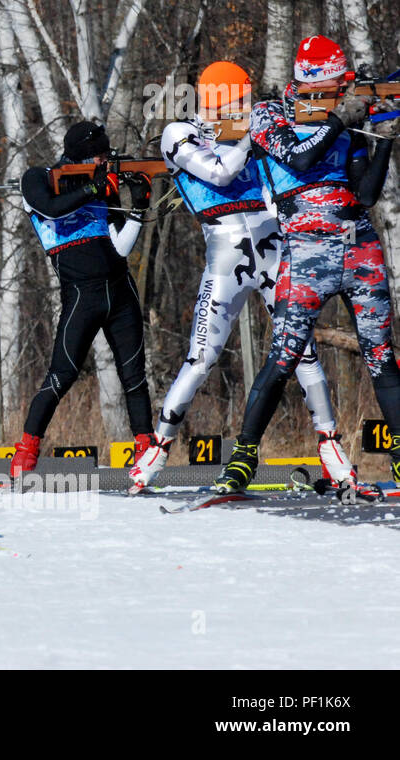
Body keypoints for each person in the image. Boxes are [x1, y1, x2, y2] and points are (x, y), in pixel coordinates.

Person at [130, 61, 338, 493]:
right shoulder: (178, 133)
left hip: (273, 246)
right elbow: (219, 173)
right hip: (225, 258)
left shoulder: (250, 123)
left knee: (304, 353)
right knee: (201, 357)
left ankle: (331, 446)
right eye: (238, 100)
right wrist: (253, 132)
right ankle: (158, 450)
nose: (246, 105)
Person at [215, 36, 400, 492]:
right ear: (313, 82)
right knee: (284, 355)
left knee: (382, 358)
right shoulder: (267, 114)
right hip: (304, 253)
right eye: (337, 84)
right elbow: (300, 159)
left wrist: (385, 142)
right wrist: (341, 119)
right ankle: (242, 459)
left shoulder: (345, 118)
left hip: (359, 246)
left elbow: (367, 194)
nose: (343, 91)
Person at [15, 121, 154, 479]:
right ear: (79, 155)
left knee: (135, 379)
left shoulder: (101, 185)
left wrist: (138, 208)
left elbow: (120, 247)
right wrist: (94, 186)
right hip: (81, 295)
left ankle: (146, 458)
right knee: (61, 376)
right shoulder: (37, 177)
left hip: (120, 289)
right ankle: (26, 454)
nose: (104, 160)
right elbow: (49, 209)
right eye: (98, 155)